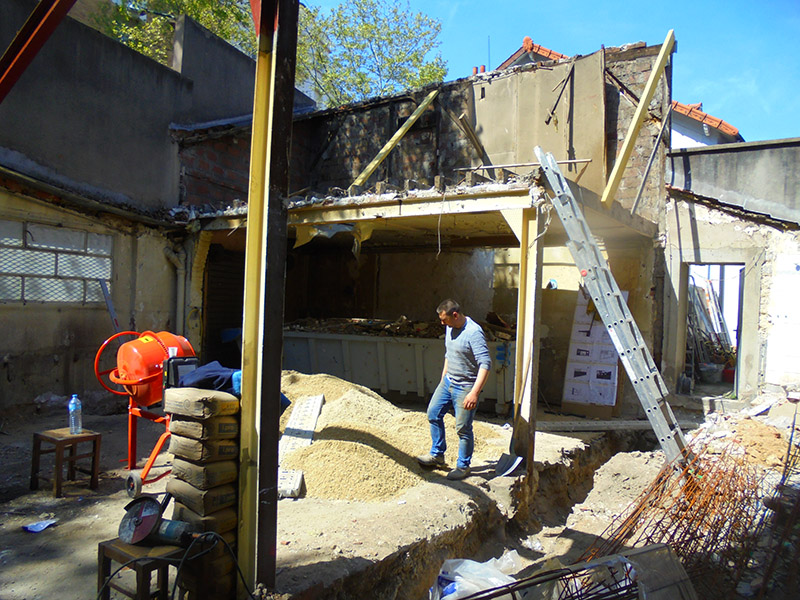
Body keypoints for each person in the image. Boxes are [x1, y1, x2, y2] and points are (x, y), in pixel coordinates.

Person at [417, 299, 491, 480]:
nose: (442, 323)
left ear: (455, 315)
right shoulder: (450, 327)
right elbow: (448, 354)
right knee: (433, 413)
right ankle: (437, 455)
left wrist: (474, 392)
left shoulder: (474, 333)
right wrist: (443, 378)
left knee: (463, 428)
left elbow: (485, 364)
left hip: (466, 387)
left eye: (444, 319)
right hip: (448, 382)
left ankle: (463, 466)